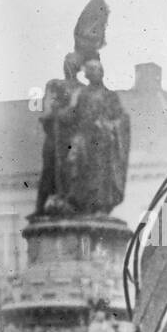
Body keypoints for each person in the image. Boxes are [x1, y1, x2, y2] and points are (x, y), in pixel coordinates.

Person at [59, 56, 130, 214]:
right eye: (90, 71)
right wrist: (63, 113)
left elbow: (120, 118)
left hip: (102, 142)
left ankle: (100, 206)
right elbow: (73, 114)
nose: (94, 74)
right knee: (77, 167)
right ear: (87, 75)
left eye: (96, 71)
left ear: (101, 73)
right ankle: (80, 203)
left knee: (101, 175)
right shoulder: (81, 94)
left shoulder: (110, 96)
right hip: (84, 140)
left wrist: (108, 125)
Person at [33, 52, 84, 218]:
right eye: (67, 62)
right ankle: (41, 207)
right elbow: (47, 110)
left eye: (73, 63)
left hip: (72, 138)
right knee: (49, 170)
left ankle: (73, 206)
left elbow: (83, 116)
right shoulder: (54, 85)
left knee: (72, 171)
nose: (68, 66)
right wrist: (60, 113)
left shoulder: (82, 89)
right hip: (54, 135)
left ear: (78, 68)